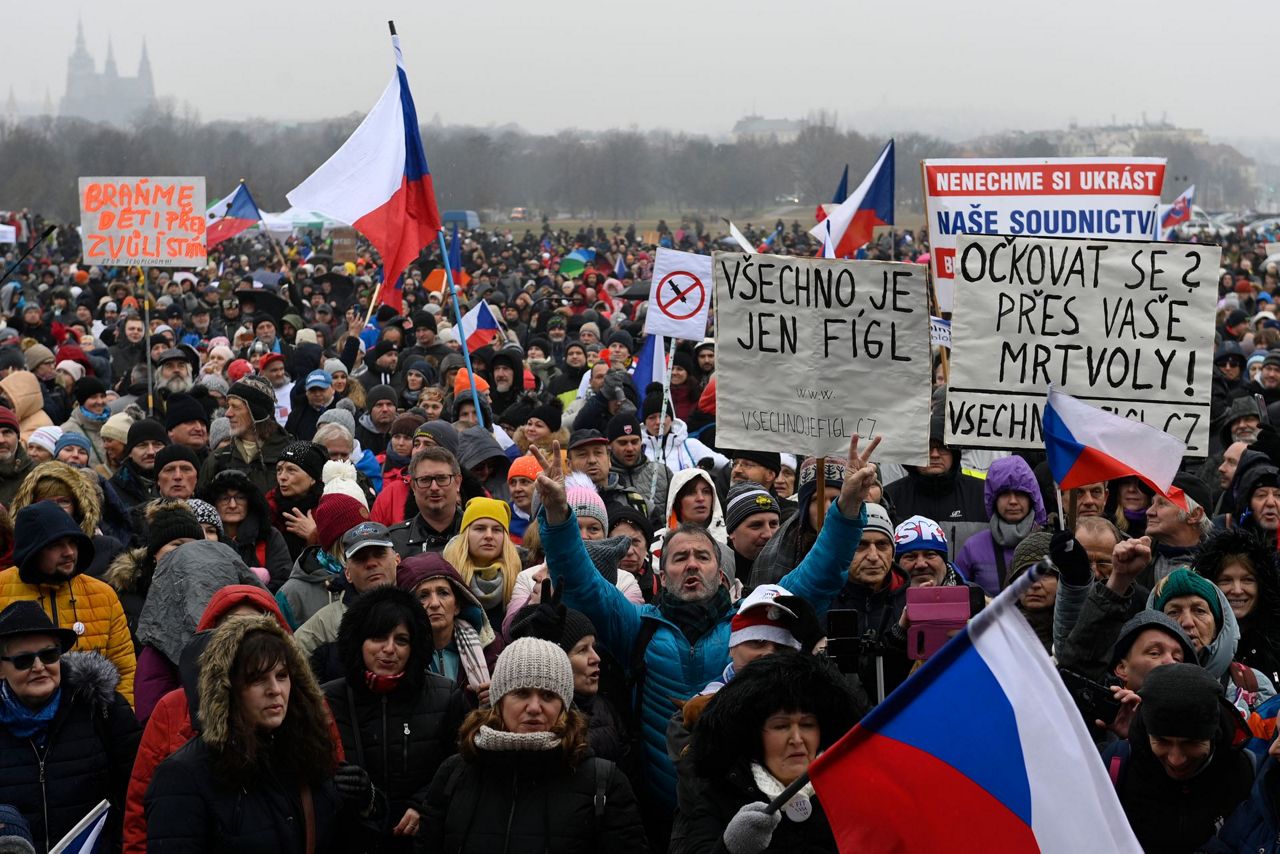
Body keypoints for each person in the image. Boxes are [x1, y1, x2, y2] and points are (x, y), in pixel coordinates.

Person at [530, 433, 877, 823]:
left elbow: (820, 573)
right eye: (679, 558)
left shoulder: (753, 622)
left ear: (722, 574)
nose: (691, 564)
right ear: (662, 575)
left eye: (702, 556)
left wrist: (846, 508)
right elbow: (580, 583)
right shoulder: (637, 627)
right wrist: (559, 517)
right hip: (653, 811)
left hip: (736, 806)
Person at [144, 614, 360, 853]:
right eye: (257, 679)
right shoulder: (184, 774)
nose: (275, 690)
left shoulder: (305, 752)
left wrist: (366, 804)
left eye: (282, 675)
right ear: (228, 687)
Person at [419, 637, 648, 853]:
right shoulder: (454, 774)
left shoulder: (604, 784)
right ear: (499, 702)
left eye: (548, 696)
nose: (534, 707)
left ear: (564, 707)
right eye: (521, 693)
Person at [122, 585, 295, 854]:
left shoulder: (302, 718)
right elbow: (139, 812)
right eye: (234, 628)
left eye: (259, 625)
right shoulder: (172, 708)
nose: (247, 637)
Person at [322, 586, 467, 853]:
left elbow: (460, 764)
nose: (389, 649)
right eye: (378, 637)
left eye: (401, 640)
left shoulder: (445, 696)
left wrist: (423, 803)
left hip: (418, 841)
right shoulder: (327, 700)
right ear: (358, 640)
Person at [672, 653, 859, 854]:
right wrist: (729, 848)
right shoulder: (719, 791)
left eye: (807, 725)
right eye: (781, 726)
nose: (797, 739)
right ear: (754, 734)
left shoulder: (849, 791)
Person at [0, 601, 140, 853]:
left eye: (49, 654)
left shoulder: (102, 707)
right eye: (23, 660)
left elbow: (137, 794)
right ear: (1, 668)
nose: (39, 666)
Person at [1103, 663, 1255, 853]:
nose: (1176, 759)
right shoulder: (1117, 765)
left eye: (1191, 743)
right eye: (1162, 741)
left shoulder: (1243, 771)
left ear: (1214, 735)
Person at [0, 501, 136, 705]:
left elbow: (125, 670)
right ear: (33, 549)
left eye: (72, 543)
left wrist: (120, 724)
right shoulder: (2, 589)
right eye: (55, 545)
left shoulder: (102, 594)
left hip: (91, 724)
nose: (69, 552)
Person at [827, 503, 912, 698]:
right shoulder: (824, 600)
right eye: (860, 545)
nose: (873, 556)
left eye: (882, 545)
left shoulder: (910, 604)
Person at [295, 521, 402, 669]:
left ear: (397, 560)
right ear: (347, 573)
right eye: (360, 558)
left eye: (379, 554)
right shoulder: (322, 627)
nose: (371, 563)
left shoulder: (421, 608)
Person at [395, 553, 497, 707]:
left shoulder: (491, 648)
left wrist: (499, 695)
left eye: (443, 593)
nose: (435, 603)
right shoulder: (397, 654)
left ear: (457, 606)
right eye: (423, 596)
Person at [1196, 528, 1280, 686]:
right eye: (1225, 581)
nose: (1237, 590)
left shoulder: (1275, 645)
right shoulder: (1197, 639)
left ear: (1262, 585)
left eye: (1247, 580)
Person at [953, 455, 1046, 596]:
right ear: (993, 500)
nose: (1013, 501)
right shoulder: (973, 547)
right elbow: (957, 597)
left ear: (1032, 498)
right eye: (1005, 494)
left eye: (1020, 493)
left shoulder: (1048, 544)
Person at [201, 469, 292, 592]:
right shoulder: (203, 536)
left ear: (251, 502)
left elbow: (282, 582)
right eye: (224, 498)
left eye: (239, 497)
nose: (232, 505)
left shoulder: (269, 536)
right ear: (213, 502)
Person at [198, 377, 291, 496]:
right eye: (228, 406)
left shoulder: (290, 458)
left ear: (256, 412)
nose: (228, 414)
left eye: (235, 407)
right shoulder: (217, 460)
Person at [441, 497, 522, 628]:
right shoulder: (445, 574)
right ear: (466, 534)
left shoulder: (522, 575)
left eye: (496, 530)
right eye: (480, 528)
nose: (489, 535)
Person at [388, 448, 462, 556]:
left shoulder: (477, 535)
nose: (434, 487)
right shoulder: (393, 542)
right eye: (425, 480)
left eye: (441, 478)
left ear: (457, 482)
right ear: (413, 486)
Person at [268, 441, 328, 561]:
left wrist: (314, 535)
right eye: (279, 470)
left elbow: (339, 561)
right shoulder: (268, 507)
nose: (282, 477)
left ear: (313, 478)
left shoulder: (329, 508)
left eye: (291, 470)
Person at [723, 482, 781, 589]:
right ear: (731, 532)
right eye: (756, 525)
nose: (768, 534)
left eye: (773, 524)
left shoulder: (791, 567)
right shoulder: (717, 573)